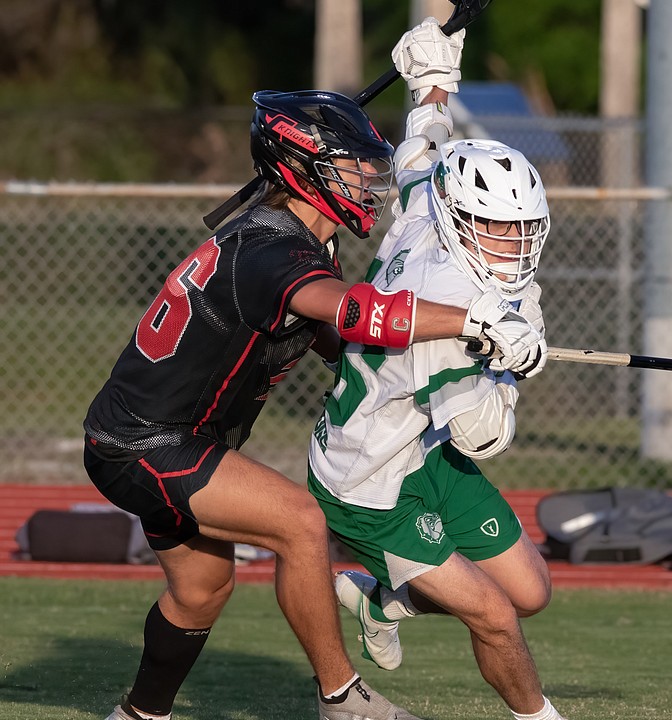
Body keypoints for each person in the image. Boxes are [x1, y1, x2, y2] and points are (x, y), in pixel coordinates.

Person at [82, 58, 547, 720]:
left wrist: (421, 361)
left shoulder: (296, 243)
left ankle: (137, 716)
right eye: (351, 166)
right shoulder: (273, 251)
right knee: (300, 524)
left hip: (176, 435)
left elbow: (335, 337)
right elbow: (353, 313)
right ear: (304, 171)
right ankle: (341, 697)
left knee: (202, 590)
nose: (367, 179)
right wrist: (473, 319)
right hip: (145, 443)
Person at [306, 18, 568, 720]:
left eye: (522, 229)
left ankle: (382, 599)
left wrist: (434, 81)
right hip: (368, 483)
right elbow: (484, 435)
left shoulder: (430, 204)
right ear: (462, 220)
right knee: (495, 616)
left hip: (418, 445)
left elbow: (422, 146)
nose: (512, 244)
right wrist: (512, 366)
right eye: (497, 228)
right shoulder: (444, 315)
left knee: (532, 591)